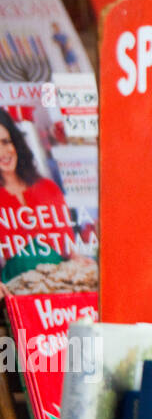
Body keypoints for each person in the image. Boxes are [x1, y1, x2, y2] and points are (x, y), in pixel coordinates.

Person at [0, 109, 75, 287]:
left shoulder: (47, 188)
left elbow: (68, 247)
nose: (3, 152)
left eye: (6, 141)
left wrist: (79, 260)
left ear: (16, 143)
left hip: (60, 291)